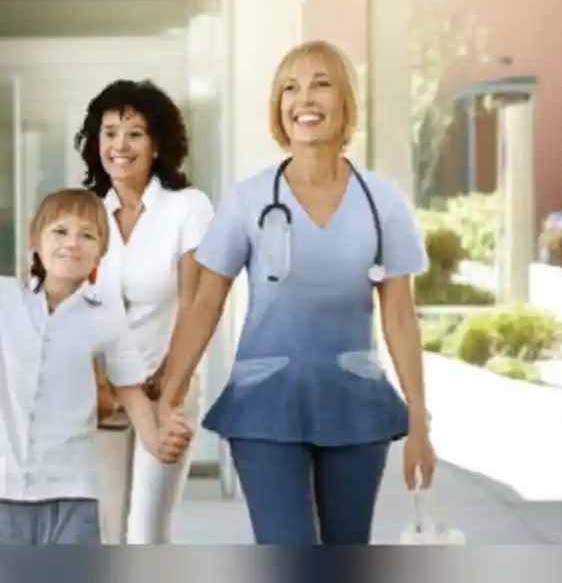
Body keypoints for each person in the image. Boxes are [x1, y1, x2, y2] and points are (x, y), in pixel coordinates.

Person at [155, 39, 437, 545]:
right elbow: (204, 304)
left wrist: (420, 423)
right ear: (278, 108)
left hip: (354, 402)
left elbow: (399, 318)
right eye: (290, 88)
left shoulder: (383, 202)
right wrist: (168, 398)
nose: (303, 99)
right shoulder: (247, 199)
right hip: (265, 404)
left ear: (346, 103)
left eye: (320, 85)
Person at [0, 188, 194, 546]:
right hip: (0, 485)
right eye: (60, 231)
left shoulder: (105, 314)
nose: (73, 243)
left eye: (88, 235)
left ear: (101, 251)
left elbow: (129, 389)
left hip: (72, 488)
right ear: (34, 240)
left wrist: (156, 441)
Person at [72, 79, 214, 544]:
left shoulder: (187, 208)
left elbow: (195, 305)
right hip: (105, 396)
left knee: (147, 534)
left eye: (134, 132)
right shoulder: (88, 212)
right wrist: (97, 386)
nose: (120, 145)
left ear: (157, 144)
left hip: (167, 388)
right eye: (109, 132)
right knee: (109, 533)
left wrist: (169, 390)